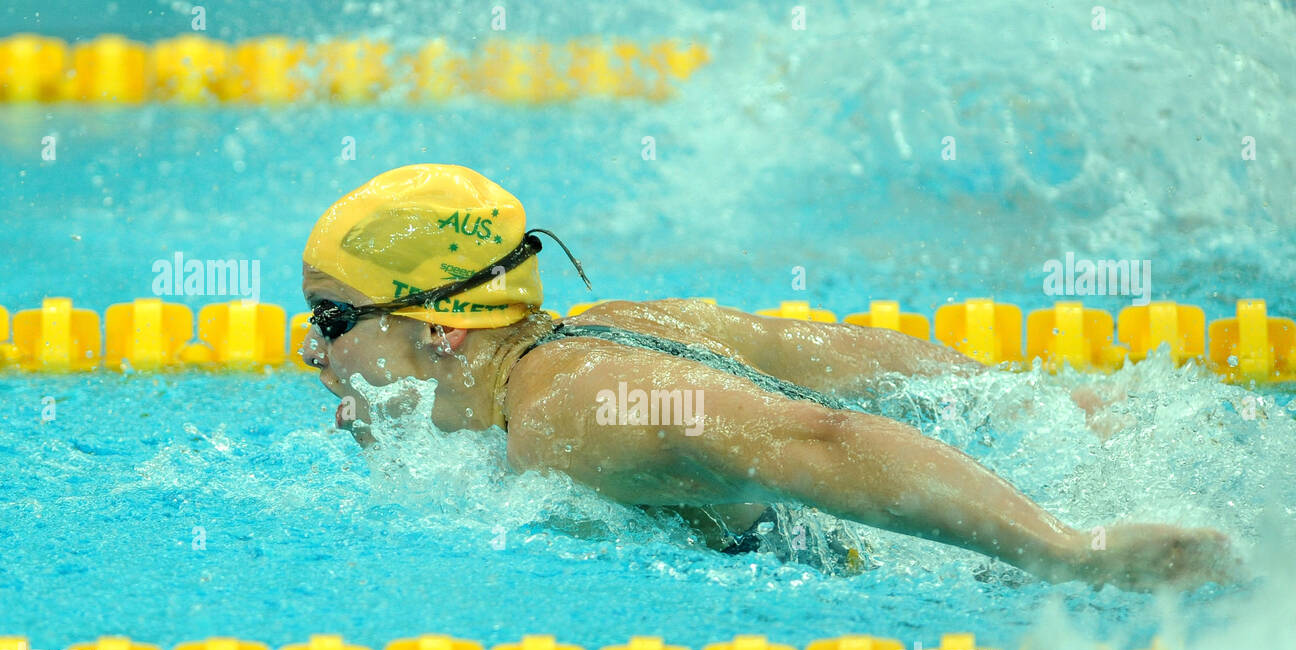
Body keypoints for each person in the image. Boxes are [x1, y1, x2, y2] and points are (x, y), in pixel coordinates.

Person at [299, 163, 1233, 590]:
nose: (313, 352)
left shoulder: (572, 415)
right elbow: (843, 354)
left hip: (914, 574)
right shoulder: (615, 327)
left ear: (442, 331)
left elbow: (814, 436)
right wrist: (1037, 402)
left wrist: (1066, 550)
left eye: (331, 320)